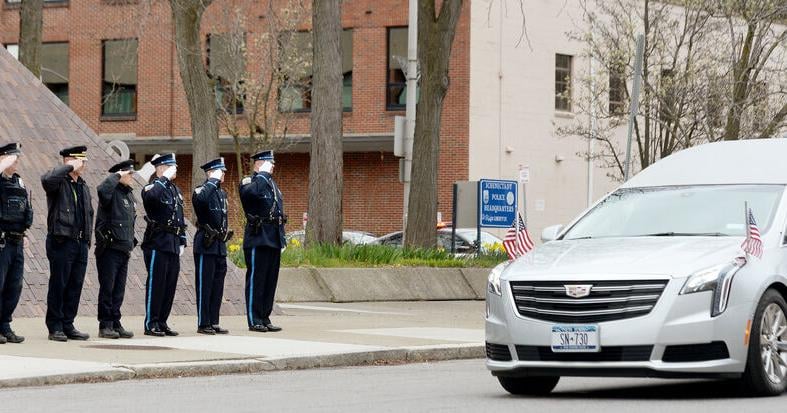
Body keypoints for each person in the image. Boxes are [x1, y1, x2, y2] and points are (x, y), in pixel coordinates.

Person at [41, 145, 94, 342]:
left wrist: (87, 240)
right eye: (80, 160)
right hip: (61, 240)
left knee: (75, 285)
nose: (84, 164)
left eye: (84, 160)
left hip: (80, 243)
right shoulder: (59, 181)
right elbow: (46, 180)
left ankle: (68, 323)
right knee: (59, 284)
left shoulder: (83, 185)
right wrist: (69, 167)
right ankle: (54, 326)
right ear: (69, 160)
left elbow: (88, 213)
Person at [239, 150, 286, 333]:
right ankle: (254, 319)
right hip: (257, 237)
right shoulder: (250, 182)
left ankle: (265, 316)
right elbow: (252, 195)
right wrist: (263, 174)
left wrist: (281, 238)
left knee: (269, 281)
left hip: (273, 237)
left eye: (272, 162)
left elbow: (278, 214)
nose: (272, 165)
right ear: (258, 164)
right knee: (257, 279)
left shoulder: (272, 185)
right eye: (268, 162)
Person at [141, 153, 185, 337]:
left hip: (173, 243)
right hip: (157, 242)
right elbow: (151, 197)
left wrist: (182, 239)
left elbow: (179, 216)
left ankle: (162, 321)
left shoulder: (175, 190)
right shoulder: (153, 186)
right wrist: (164, 178)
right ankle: (151, 323)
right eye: (169, 167)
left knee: (169, 285)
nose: (173, 170)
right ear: (160, 168)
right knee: (156, 284)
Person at [95, 160, 137, 339]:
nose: (132, 177)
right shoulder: (110, 192)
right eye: (130, 174)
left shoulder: (128, 195)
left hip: (123, 248)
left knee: (118, 290)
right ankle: (105, 325)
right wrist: (117, 175)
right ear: (120, 175)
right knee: (108, 288)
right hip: (109, 249)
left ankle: (115, 322)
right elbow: (102, 189)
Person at [192, 157, 233, 335]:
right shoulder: (202, 190)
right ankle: (203, 322)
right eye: (220, 171)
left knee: (217, 285)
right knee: (205, 284)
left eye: (223, 171)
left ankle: (214, 320)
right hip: (205, 243)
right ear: (211, 172)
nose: (223, 174)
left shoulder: (221, 194)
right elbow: (200, 202)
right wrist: (212, 181)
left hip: (219, 244)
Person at [0, 143, 32, 344]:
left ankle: (5, 324)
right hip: (2, 241)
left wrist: (24, 233)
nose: (17, 161)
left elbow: (24, 209)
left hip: (17, 240)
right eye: (13, 158)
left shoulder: (18, 181)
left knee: (14, 286)